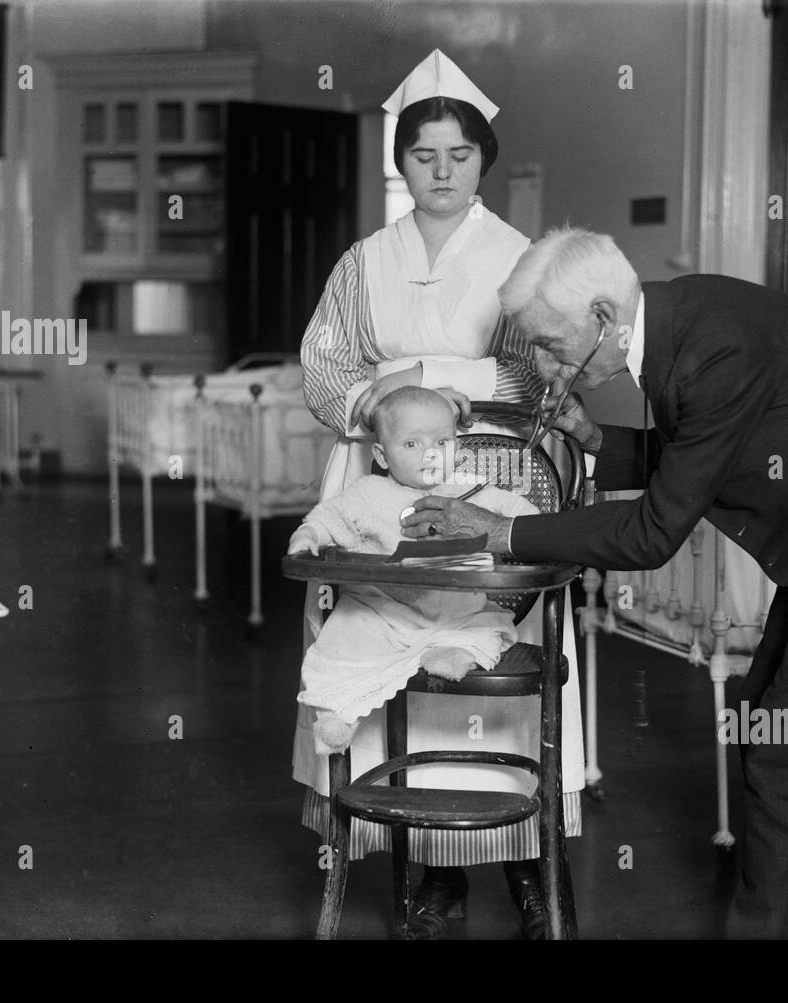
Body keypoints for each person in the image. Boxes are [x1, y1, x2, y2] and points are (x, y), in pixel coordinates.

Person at [404, 227, 788, 939]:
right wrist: (597, 441)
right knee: (771, 725)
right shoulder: (680, 321)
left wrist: (501, 531)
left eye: (550, 345)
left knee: (784, 752)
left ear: (602, 319)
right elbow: (702, 456)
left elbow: (654, 533)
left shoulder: (712, 351)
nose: (540, 362)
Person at [295, 50, 586, 940]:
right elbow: (324, 361)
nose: (442, 170)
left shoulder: (518, 259)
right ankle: (429, 872)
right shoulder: (364, 260)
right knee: (386, 645)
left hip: (489, 472)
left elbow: (542, 371)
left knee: (492, 649)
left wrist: (434, 378)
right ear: (401, 162)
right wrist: (379, 399)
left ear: (483, 160)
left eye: (460, 153)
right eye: (424, 154)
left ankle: (528, 866)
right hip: (379, 474)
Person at [288, 387, 537, 753]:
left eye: (442, 441)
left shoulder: (470, 492)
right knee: (343, 635)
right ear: (381, 455)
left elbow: (523, 514)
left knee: (485, 624)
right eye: (411, 444)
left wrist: (528, 524)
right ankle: (337, 712)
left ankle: (455, 649)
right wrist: (308, 534)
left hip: (454, 609)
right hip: (384, 611)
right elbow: (329, 518)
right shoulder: (368, 493)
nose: (431, 454)